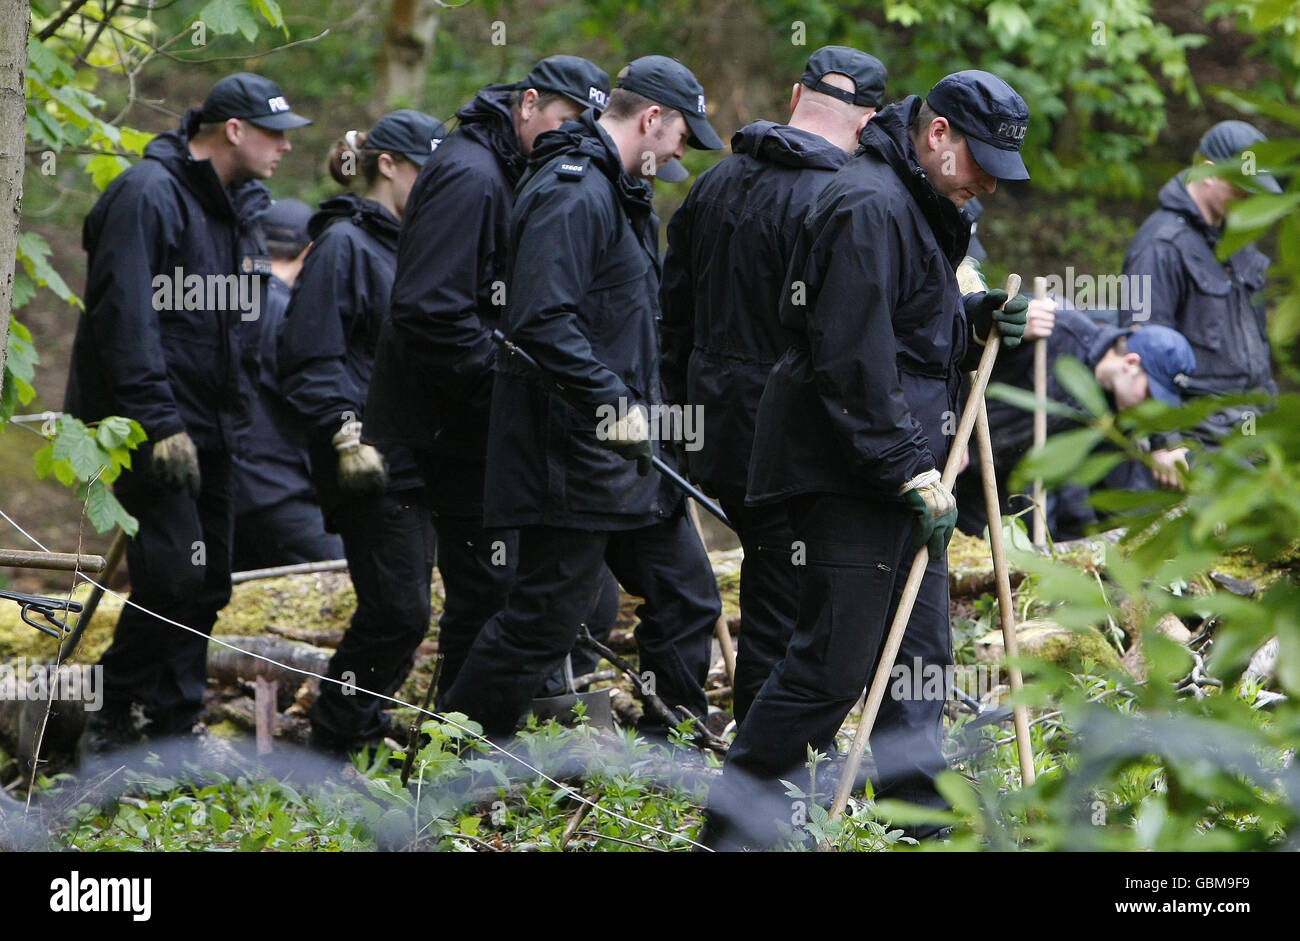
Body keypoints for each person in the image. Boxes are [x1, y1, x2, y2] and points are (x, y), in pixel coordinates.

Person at [702, 71, 1032, 849]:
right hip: (850, 471)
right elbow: (850, 351)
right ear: (939, 132)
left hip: (908, 470)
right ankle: (732, 832)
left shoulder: (920, 205)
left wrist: (973, 316)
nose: (987, 180)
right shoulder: (867, 203)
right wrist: (903, 467)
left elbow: (909, 324)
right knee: (831, 667)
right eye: (979, 158)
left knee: (920, 663)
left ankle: (911, 822)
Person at [441, 55, 727, 739]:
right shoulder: (574, 190)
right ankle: (443, 761)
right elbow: (539, 318)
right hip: (570, 453)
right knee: (544, 617)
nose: (688, 148)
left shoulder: (619, 190)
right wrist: (613, 401)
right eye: (686, 132)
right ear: (652, 118)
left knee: (688, 596)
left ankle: (675, 753)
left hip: (626, 459)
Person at [67, 73, 310, 751]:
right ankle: (112, 712)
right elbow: (126, 318)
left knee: (209, 582)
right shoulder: (147, 193)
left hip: (218, 428)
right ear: (234, 130)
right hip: (149, 425)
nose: (286, 149)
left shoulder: (239, 207)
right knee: (173, 573)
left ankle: (175, 723)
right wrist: (160, 423)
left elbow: (242, 324)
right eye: (275, 133)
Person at [364, 56, 612, 698]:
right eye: (565, 119)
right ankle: (452, 760)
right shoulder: (471, 174)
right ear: (528, 104)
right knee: (485, 593)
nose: (573, 135)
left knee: (503, 589)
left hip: (474, 419)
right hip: (449, 423)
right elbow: (428, 309)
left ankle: (468, 749)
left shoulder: (510, 166)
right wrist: (507, 388)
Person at [660, 46, 886, 724]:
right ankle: (767, 768)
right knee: (789, 606)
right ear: (870, 123)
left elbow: (672, 311)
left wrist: (681, 406)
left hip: (719, 425)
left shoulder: (715, 183)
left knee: (772, 585)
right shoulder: (846, 200)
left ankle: (761, 753)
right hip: (797, 438)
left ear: (794, 96)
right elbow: (846, 339)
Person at [275, 110, 447, 754]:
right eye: (425, 173)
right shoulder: (345, 245)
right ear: (387, 166)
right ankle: (335, 739)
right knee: (399, 611)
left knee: (412, 611)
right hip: (369, 466)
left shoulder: (415, 244)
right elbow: (307, 357)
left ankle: (369, 731)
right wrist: (347, 433)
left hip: (421, 459)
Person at [1120, 119, 1282, 488]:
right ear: (1208, 173)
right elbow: (1141, 350)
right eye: (1243, 187)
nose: (1250, 198)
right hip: (1199, 446)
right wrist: (1164, 442)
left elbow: (1256, 350)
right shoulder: (1158, 246)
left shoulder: (1239, 244)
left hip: (1253, 434)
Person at [955, 309, 1197, 539]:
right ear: (1131, 363)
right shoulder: (1059, 332)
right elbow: (959, 352)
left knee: (983, 570)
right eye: (1149, 395)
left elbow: (1114, 502)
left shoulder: (1117, 418)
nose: (1149, 410)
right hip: (945, 449)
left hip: (992, 490)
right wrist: (1009, 324)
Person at [231, 197, 344, 571]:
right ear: (310, 251)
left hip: (225, 489)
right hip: (280, 489)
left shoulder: (224, 298)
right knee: (343, 578)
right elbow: (314, 396)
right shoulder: (292, 312)